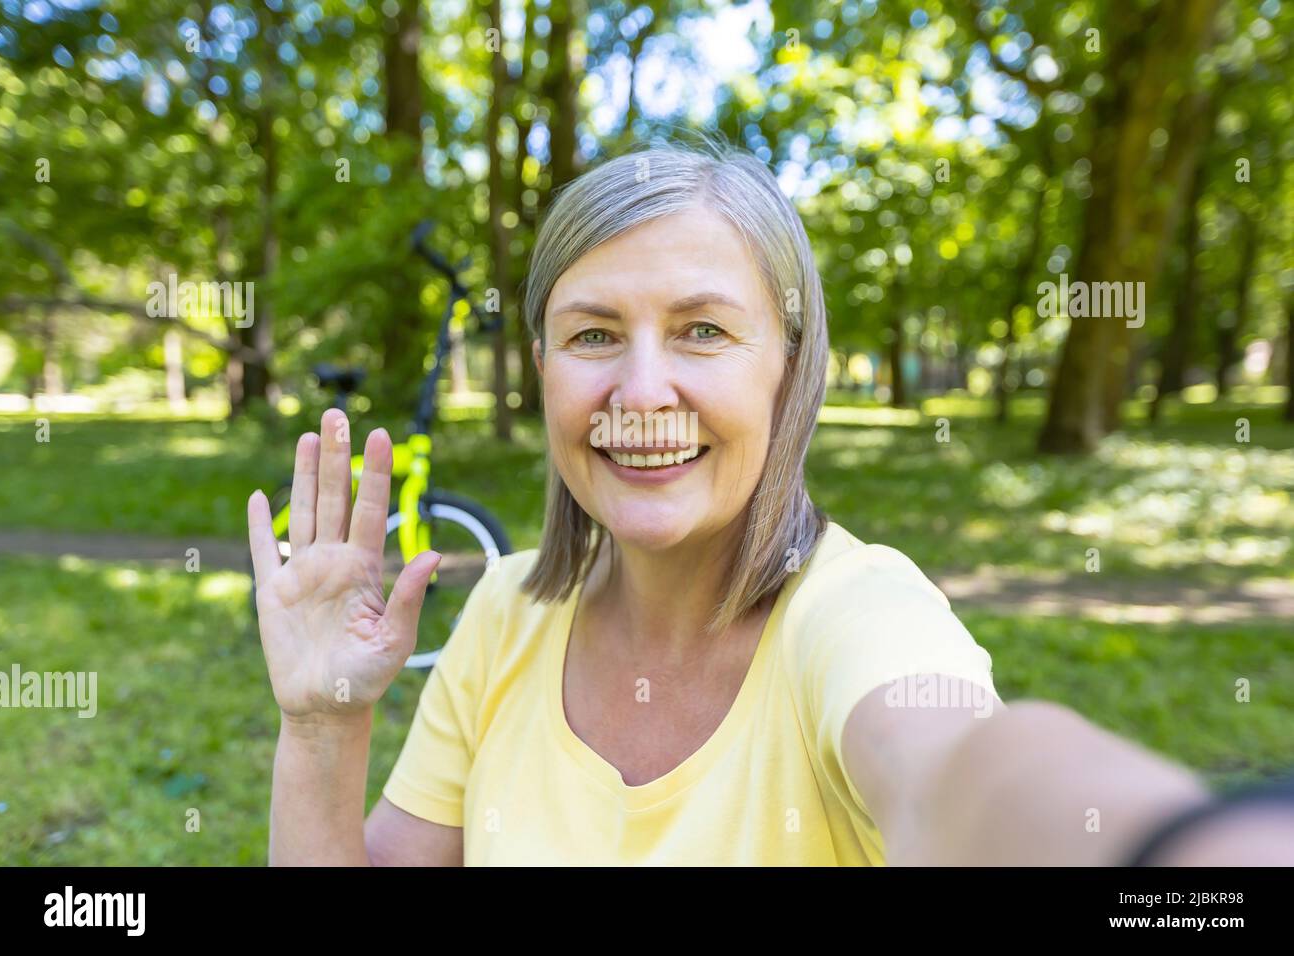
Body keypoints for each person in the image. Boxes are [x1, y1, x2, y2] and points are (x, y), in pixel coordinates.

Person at [246, 140, 1290, 866]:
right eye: (594, 333)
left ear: (790, 372)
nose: (641, 389)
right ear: (542, 368)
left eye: (702, 330)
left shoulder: (860, 612)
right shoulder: (505, 607)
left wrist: (1179, 850)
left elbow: (962, 769)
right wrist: (325, 723)